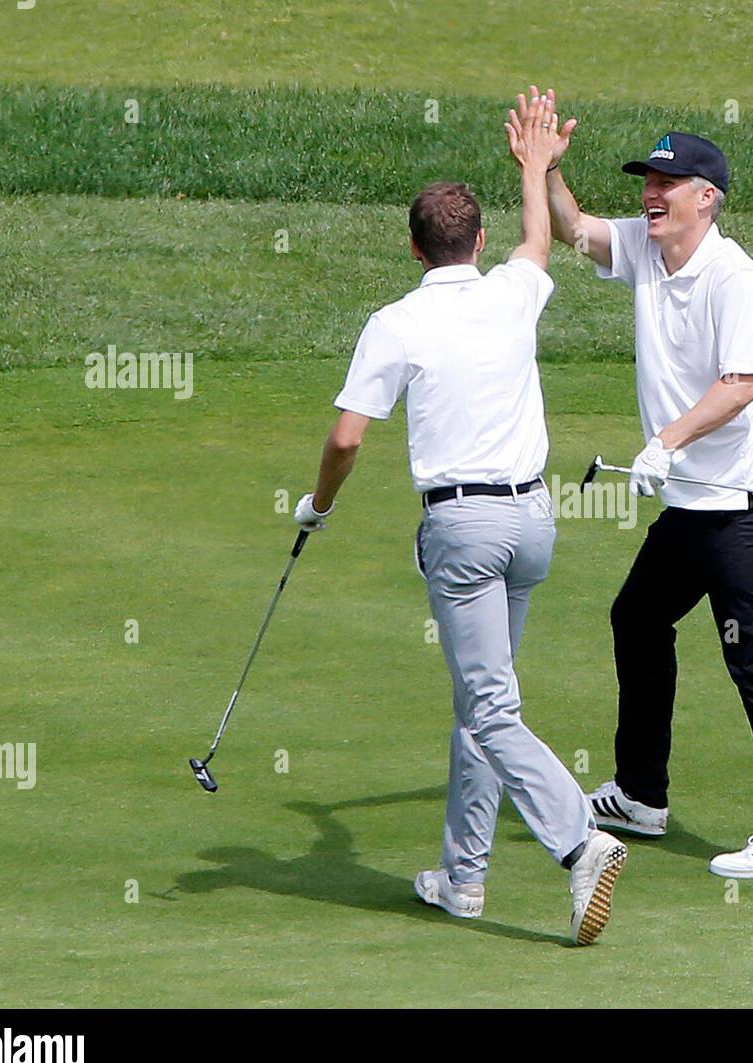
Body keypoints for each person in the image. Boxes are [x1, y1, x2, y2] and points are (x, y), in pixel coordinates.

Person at [294, 92, 626, 943]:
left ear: (414, 248)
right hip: (533, 528)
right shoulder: (513, 291)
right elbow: (542, 240)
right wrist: (533, 166)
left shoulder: (396, 322)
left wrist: (317, 506)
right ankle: (464, 878)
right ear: (476, 245)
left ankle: (579, 840)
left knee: (489, 709)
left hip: (465, 535)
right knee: (484, 700)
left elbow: (344, 438)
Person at [514, 86, 753, 878]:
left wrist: (664, 441)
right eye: (646, 184)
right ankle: (641, 795)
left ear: (706, 199)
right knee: (637, 618)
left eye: (666, 186)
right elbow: (575, 230)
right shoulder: (648, 248)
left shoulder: (733, 276)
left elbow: (743, 382)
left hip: (744, 504)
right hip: (691, 500)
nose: (650, 196)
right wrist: (548, 170)